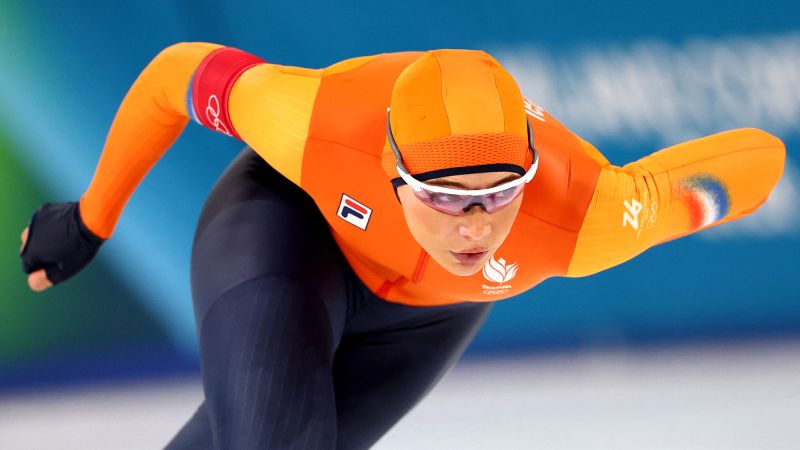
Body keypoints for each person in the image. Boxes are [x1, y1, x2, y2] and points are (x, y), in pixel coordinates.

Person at [19, 43, 785, 449]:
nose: (475, 226)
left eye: (501, 192)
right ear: (392, 175)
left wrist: (686, 201)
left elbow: (757, 157)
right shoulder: (317, 124)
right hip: (288, 235)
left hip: (424, 315)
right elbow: (172, 75)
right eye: (448, 199)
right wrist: (91, 217)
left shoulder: (583, 212)